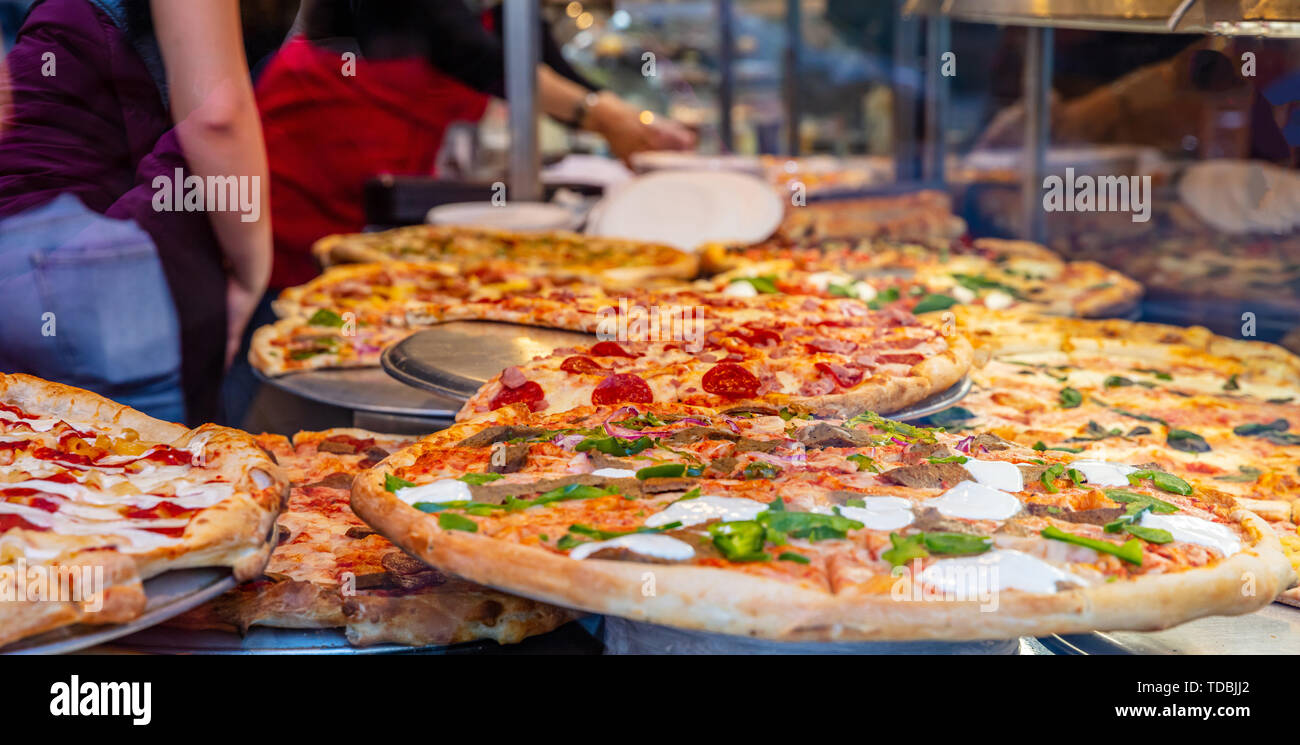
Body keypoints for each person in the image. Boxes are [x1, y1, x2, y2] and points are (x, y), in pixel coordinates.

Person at [221, 0, 695, 426]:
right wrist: (604, 116)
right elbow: (470, 51)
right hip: (316, 140)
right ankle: (229, 436)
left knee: (374, 296)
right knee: (285, 305)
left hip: (396, 165)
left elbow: (539, 61)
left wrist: (635, 123)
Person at [0, 0, 271, 425]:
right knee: (154, 478)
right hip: (84, 274)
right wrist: (253, 271)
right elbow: (218, 114)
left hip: (31, 256)